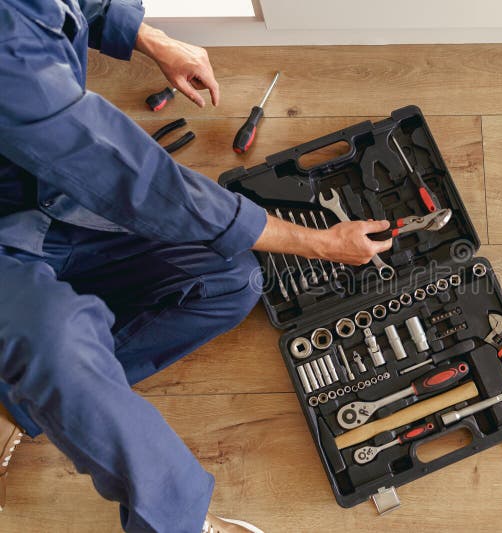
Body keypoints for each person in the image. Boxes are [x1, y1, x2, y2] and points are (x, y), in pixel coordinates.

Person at [0, 1, 392, 532]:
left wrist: (145, 35)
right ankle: (181, 522)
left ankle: (22, 399)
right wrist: (318, 244)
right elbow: (137, 181)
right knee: (60, 336)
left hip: (52, 201)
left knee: (231, 278)